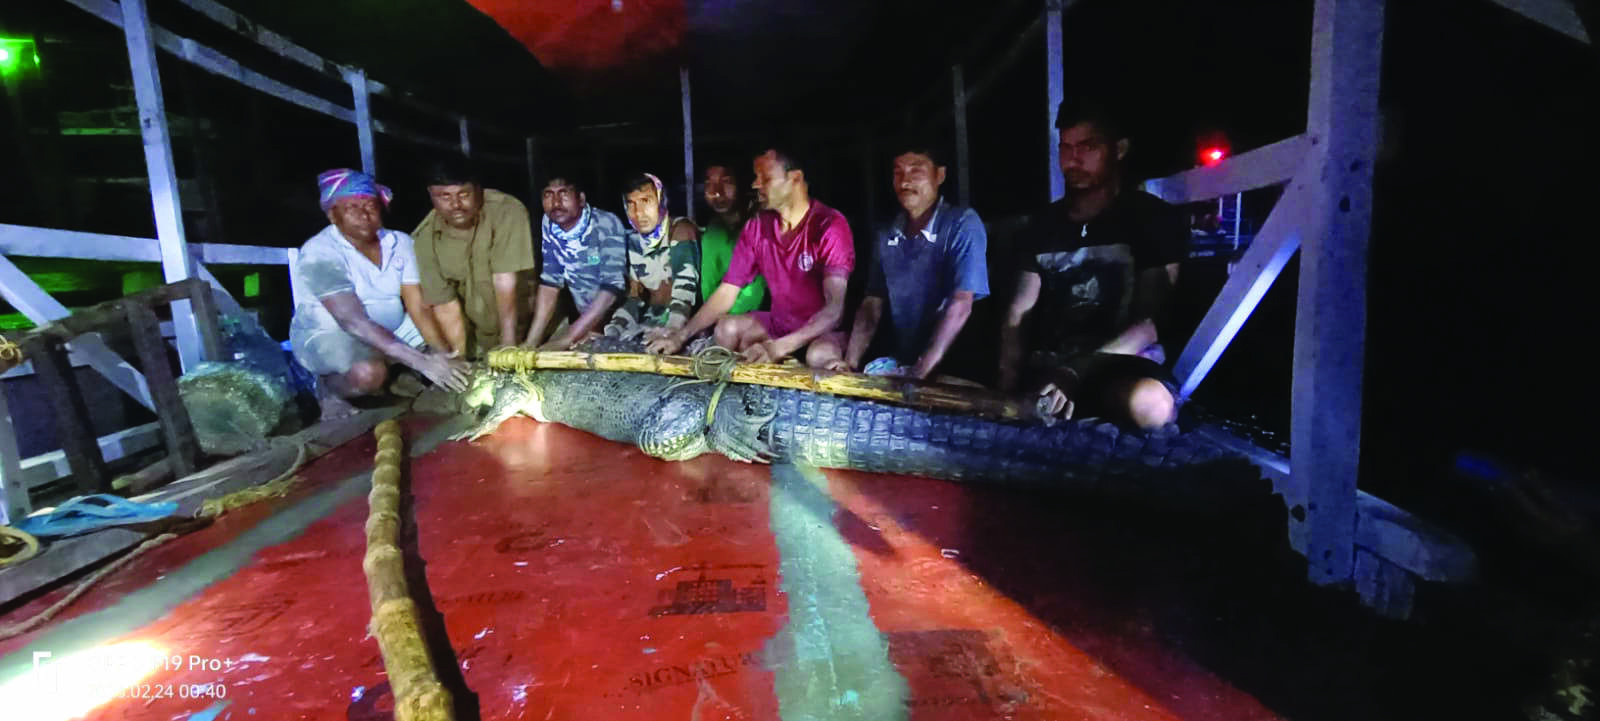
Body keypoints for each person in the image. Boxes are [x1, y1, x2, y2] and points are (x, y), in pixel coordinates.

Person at [999, 99, 1187, 431]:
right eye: (1066, 147)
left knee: (1150, 405)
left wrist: (1076, 372)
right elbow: (1019, 313)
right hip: (1051, 369)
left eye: (1088, 146)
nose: (1073, 159)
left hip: (1119, 367)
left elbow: (1150, 323)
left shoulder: (1151, 218)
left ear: (1119, 149)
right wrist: (1008, 385)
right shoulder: (1042, 225)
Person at [288, 169, 469, 420]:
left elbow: (416, 305)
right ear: (332, 214)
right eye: (352, 207)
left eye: (370, 206)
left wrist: (441, 356)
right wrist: (421, 362)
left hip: (387, 331)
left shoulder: (400, 242)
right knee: (369, 374)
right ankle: (326, 388)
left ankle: (410, 372)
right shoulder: (320, 252)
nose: (364, 214)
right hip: (332, 336)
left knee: (442, 312)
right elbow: (352, 321)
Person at [646, 147, 853, 366]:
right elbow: (727, 291)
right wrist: (681, 335)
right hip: (780, 325)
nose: (756, 184)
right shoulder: (758, 226)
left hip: (820, 331)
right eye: (756, 177)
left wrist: (779, 347)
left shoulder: (829, 225)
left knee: (818, 355)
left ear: (795, 179)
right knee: (726, 328)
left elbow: (834, 310)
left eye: (765, 177)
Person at [821, 141, 988, 380]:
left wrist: (921, 372)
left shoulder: (961, 224)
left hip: (957, 365)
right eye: (898, 172)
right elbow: (872, 304)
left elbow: (961, 304)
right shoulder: (888, 234)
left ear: (939, 175)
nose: (905, 181)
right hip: (906, 361)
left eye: (916, 170)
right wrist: (850, 363)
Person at [411, 158, 537, 358]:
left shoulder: (506, 210)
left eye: (464, 194)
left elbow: (505, 280)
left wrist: (508, 344)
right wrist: (458, 358)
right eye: (444, 196)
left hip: (532, 327)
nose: (456, 205)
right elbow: (445, 305)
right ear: (431, 195)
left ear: (478, 190)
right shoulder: (424, 238)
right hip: (480, 335)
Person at [522, 172, 629, 350]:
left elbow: (613, 287)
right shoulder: (549, 224)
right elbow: (550, 282)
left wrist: (568, 338)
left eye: (563, 194)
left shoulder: (605, 223)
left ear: (580, 199)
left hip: (621, 320)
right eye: (548, 195)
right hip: (586, 322)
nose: (556, 203)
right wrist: (531, 342)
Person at [604, 173, 702, 339]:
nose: (638, 212)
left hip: (685, 325)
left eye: (646, 201)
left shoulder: (680, 230)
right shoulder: (634, 241)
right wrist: (615, 327)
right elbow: (636, 297)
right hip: (650, 323)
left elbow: (685, 293)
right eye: (631, 204)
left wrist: (672, 331)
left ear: (661, 201)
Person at [699, 161, 766, 315]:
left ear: (742, 183)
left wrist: (726, 321)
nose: (717, 192)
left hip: (757, 318)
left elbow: (755, 291)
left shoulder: (760, 224)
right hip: (722, 318)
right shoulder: (713, 231)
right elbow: (708, 283)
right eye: (709, 184)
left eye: (726, 182)